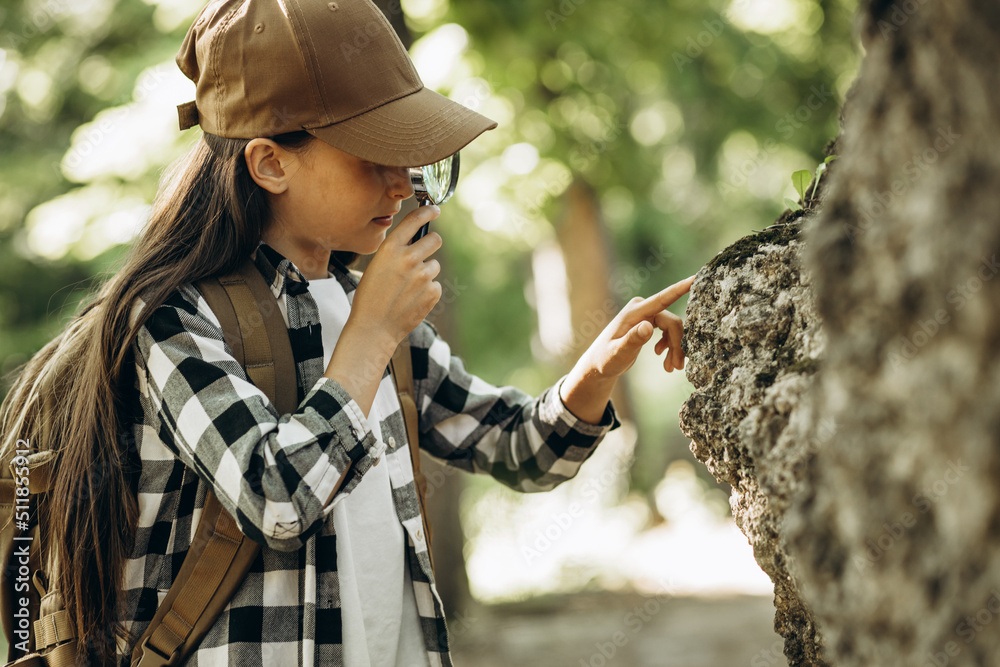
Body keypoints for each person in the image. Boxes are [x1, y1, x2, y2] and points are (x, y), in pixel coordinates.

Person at [1, 0, 692, 665]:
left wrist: (596, 369)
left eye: (412, 158)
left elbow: (518, 448)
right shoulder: (172, 318)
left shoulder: (361, 300)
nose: (403, 185)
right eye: (375, 156)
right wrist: (368, 338)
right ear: (270, 162)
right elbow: (276, 498)